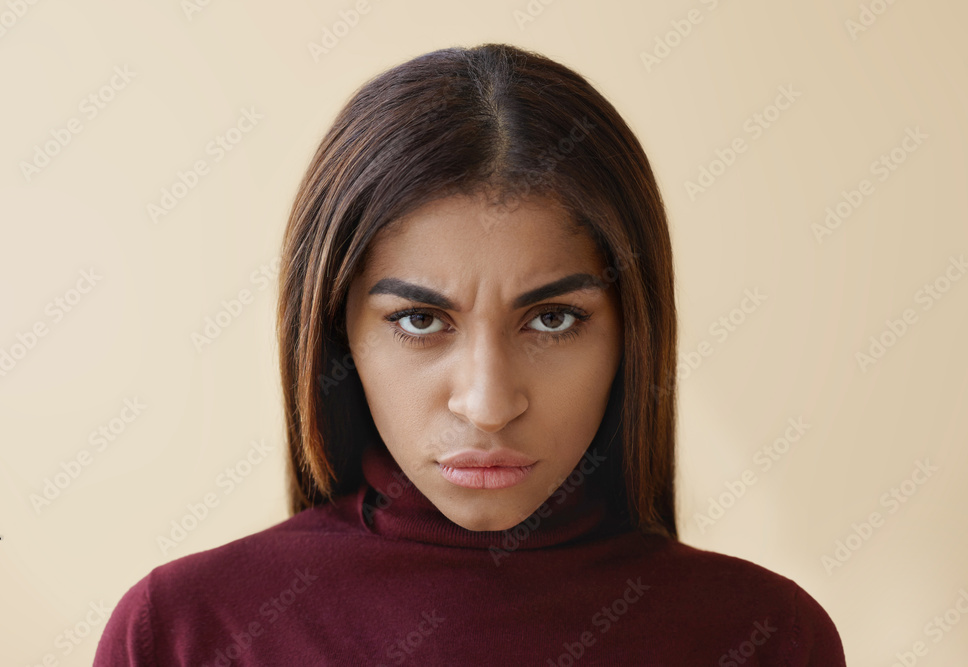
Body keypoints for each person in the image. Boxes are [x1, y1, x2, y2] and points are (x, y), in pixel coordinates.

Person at [94, 43, 847, 665]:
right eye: (420, 319)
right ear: (335, 331)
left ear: (632, 331)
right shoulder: (184, 633)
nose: (488, 403)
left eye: (552, 319)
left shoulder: (768, 637)